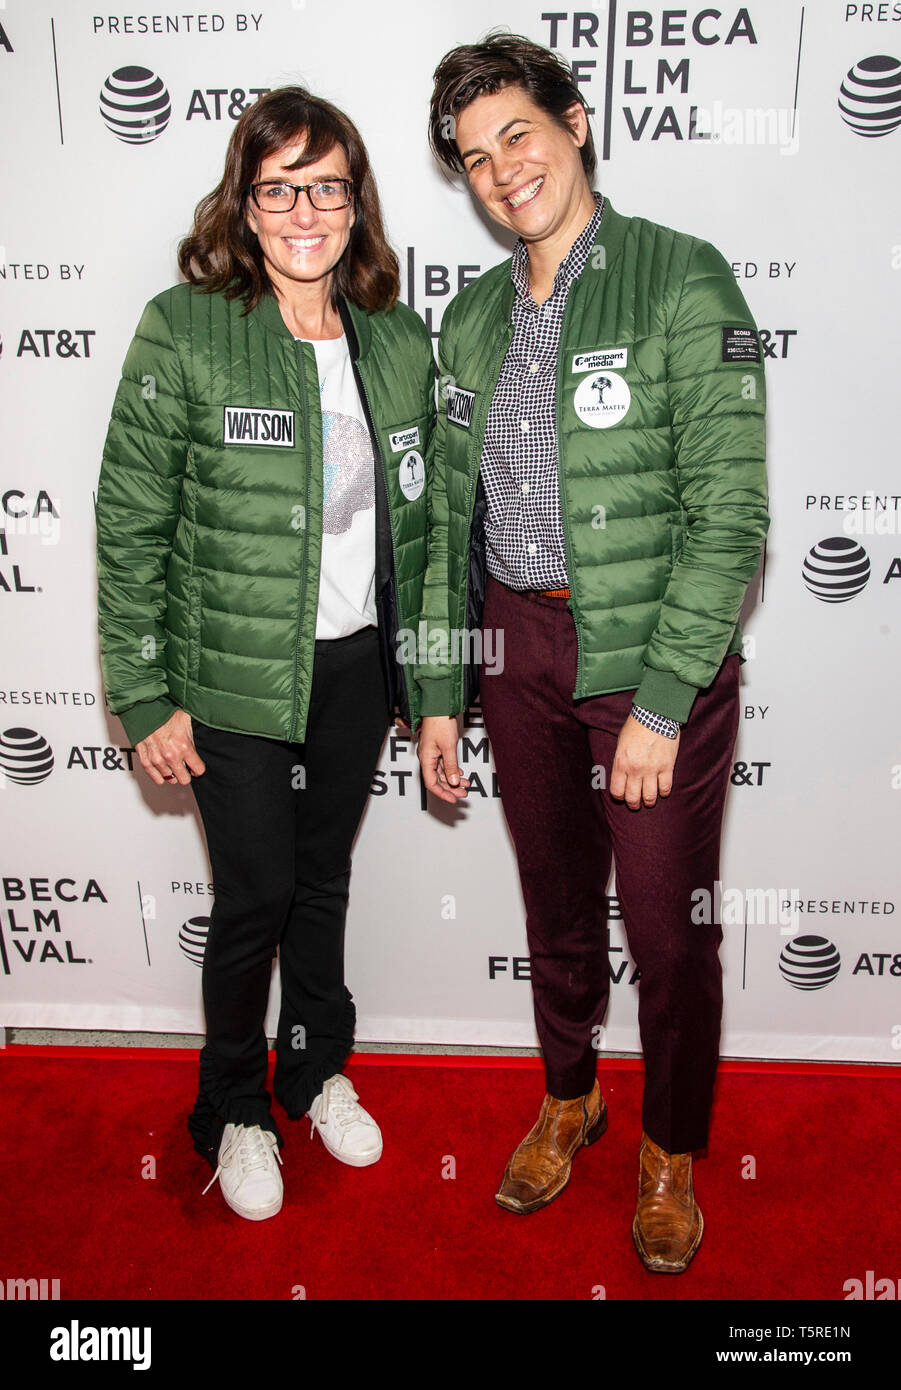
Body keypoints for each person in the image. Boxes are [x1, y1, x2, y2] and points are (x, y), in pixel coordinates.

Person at [417, 34, 769, 1273]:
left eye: (517, 133)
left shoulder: (681, 278)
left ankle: (670, 1143)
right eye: (472, 158)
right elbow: (438, 527)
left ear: (573, 123)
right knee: (556, 904)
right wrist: (440, 691)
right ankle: (572, 1094)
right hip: (513, 639)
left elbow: (730, 519)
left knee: (667, 928)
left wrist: (663, 703)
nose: (501, 170)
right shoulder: (464, 320)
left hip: (645, 645)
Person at [96, 86, 435, 1221]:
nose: (305, 211)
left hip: (349, 667)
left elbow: (421, 522)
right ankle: (233, 1107)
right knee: (255, 897)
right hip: (232, 673)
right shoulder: (184, 326)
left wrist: (421, 678)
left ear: (356, 201)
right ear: (246, 203)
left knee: (322, 886)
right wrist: (143, 690)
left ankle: (311, 1066)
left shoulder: (393, 335)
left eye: (326, 186)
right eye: (280, 186)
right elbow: (131, 517)